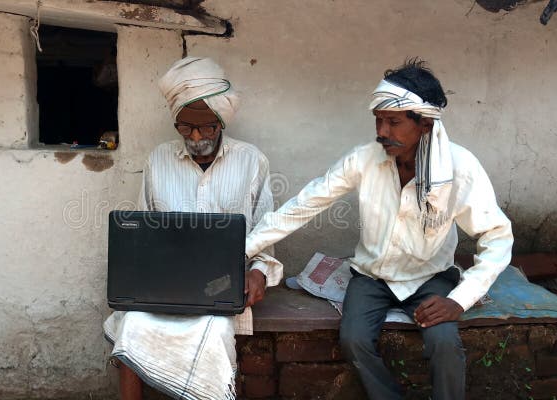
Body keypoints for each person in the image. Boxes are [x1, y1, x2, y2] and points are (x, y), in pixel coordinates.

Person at [244, 59, 514, 400]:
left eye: (393, 121)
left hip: (431, 276)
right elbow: (304, 205)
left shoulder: (460, 168)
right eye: (378, 119)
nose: (382, 131)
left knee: (444, 343)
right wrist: (244, 249)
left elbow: (498, 236)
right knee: (353, 338)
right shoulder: (364, 159)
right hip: (371, 277)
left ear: (425, 124)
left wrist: (459, 300)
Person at [103, 57, 282, 400]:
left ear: (221, 121)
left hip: (223, 289)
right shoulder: (158, 159)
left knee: (213, 335)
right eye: (186, 128)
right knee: (131, 326)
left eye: (206, 127)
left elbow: (266, 231)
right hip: (163, 287)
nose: (196, 136)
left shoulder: (252, 161)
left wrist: (258, 272)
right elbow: (142, 232)